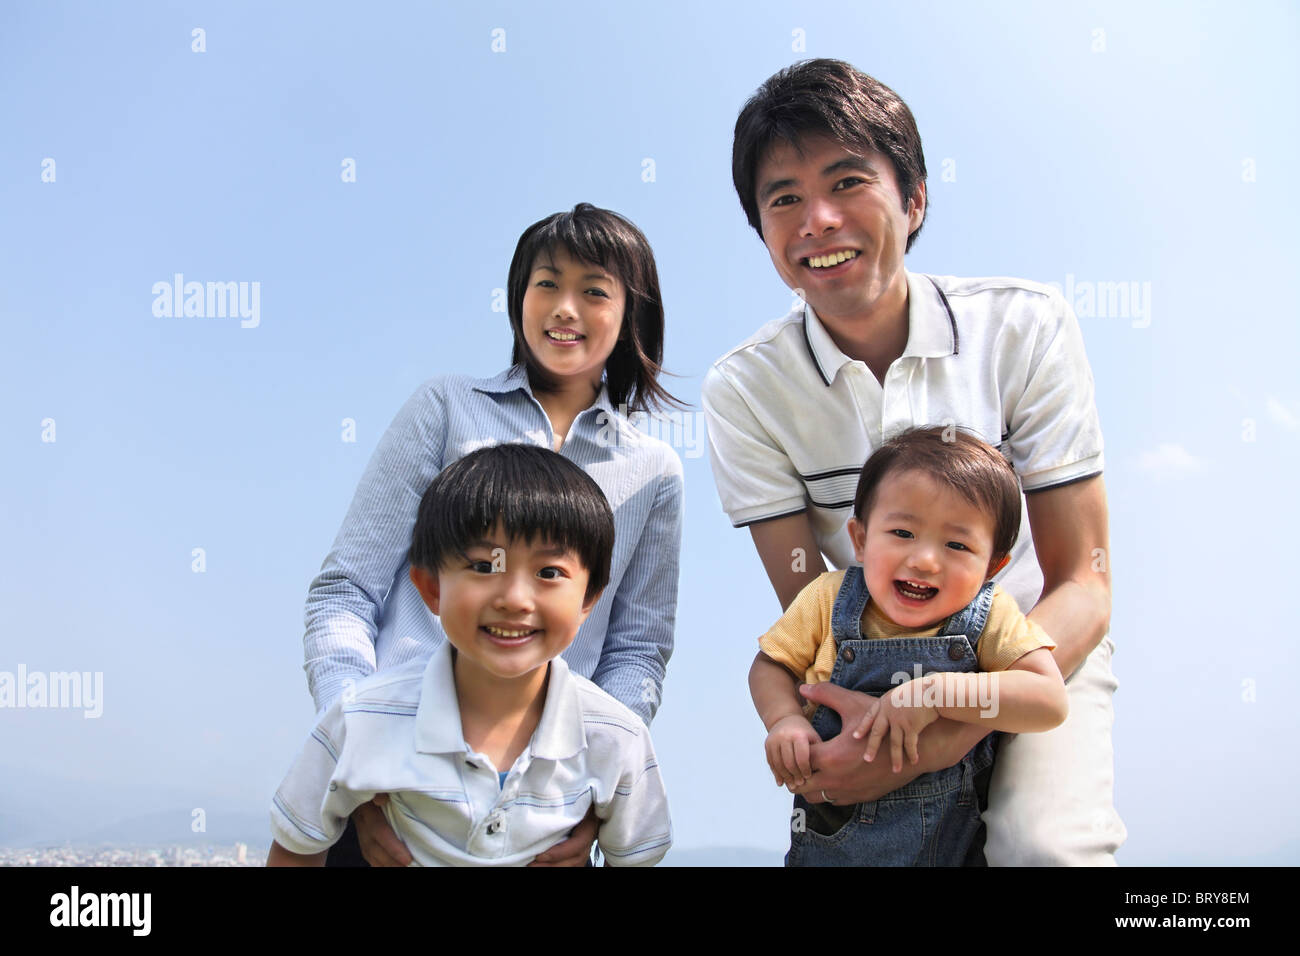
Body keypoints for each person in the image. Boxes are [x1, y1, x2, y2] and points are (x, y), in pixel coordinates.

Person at [701, 59, 1126, 864]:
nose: (816, 219)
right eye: (782, 198)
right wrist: (820, 725)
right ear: (761, 230)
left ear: (915, 198)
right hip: (866, 676)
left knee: (1043, 848)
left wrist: (949, 728)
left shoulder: (1024, 325)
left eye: (848, 181)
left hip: (1036, 654)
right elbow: (809, 616)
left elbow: (1086, 581)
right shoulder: (744, 389)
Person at [304, 203, 684, 866]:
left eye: (594, 291)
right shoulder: (445, 408)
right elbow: (345, 589)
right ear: (518, 300)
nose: (566, 307)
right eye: (547, 284)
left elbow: (637, 650)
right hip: (394, 791)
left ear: (631, 315)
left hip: (543, 812)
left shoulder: (655, 470)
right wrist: (358, 752)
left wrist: (598, 798)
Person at [269, 444, 672, 866]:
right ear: (431, 588)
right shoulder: (361, 718)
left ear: (589, 598)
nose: (515, 599)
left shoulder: (617, 738)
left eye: (548, 573)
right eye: (484, 566)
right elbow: (297, 848)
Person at [751, 427, 1066, 865]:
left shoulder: (990, 615)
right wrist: (784, 720)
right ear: (860, 539)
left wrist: (936, 695)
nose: (924, 560)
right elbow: (770, 666)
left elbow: (1048, 699)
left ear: (992, 565)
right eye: (902, 532)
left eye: (957, 544)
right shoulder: (827, 597)